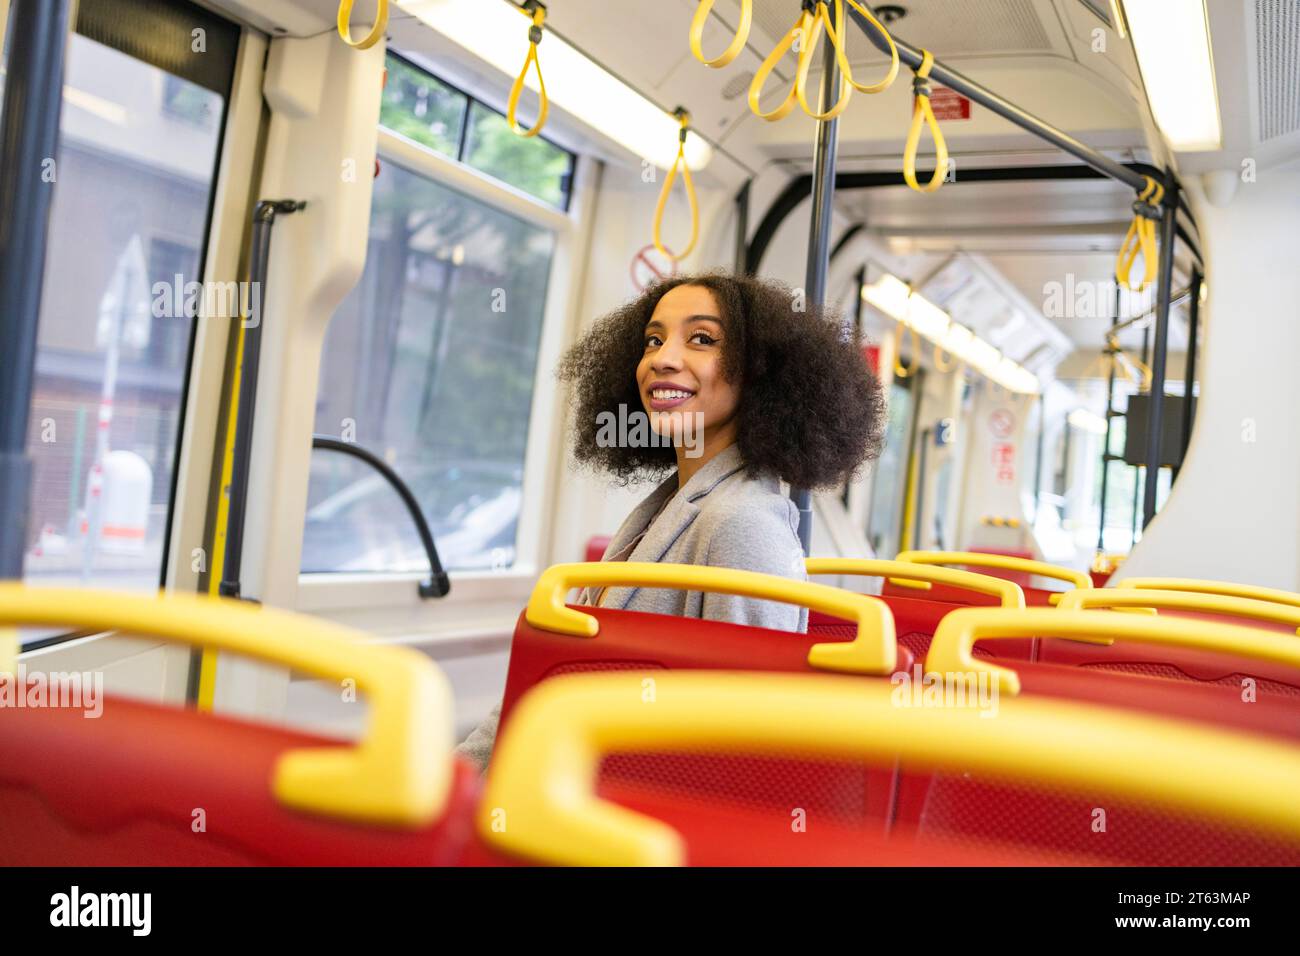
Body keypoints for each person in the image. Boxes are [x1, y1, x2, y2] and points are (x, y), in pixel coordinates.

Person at [454, 271, 885, 772]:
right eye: (653, 340)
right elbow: (555, 682)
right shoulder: (665, 508)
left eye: (701, 339)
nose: (662, 358)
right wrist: (446, 783)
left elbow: (741, 746)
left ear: (760, 374)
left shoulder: (745, 524)